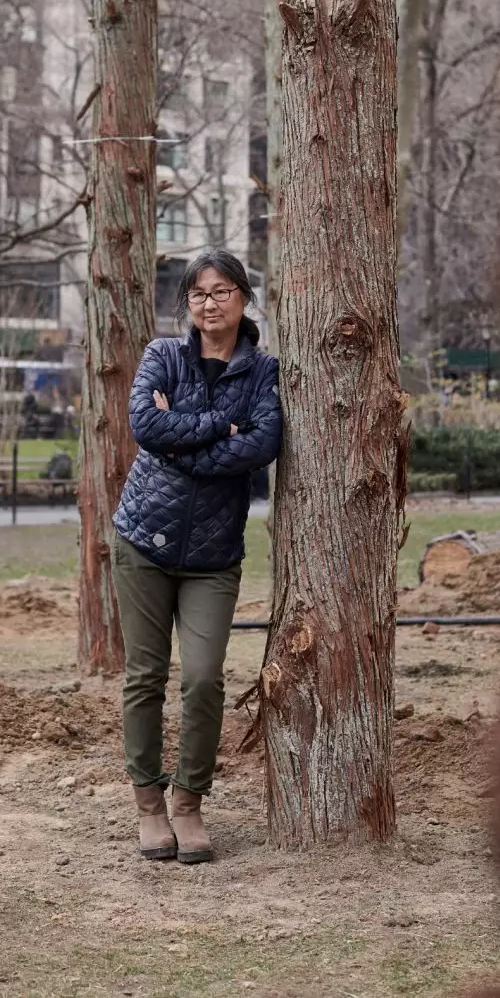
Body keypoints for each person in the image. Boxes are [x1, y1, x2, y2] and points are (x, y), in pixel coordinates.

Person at [111, 249, 282, 864]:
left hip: (213, 553)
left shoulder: (263, 372)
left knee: (205, 679)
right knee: (145, 677)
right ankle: (150, 806)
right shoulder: (164, 356)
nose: (210, 303)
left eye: (222, 291)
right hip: (142, 541)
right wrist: (218, 427)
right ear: (187, 303)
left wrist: (185, 431)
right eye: (198, 294)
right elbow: (145, 430)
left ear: (244, 298)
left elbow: (260, 445)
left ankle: (189, 803)